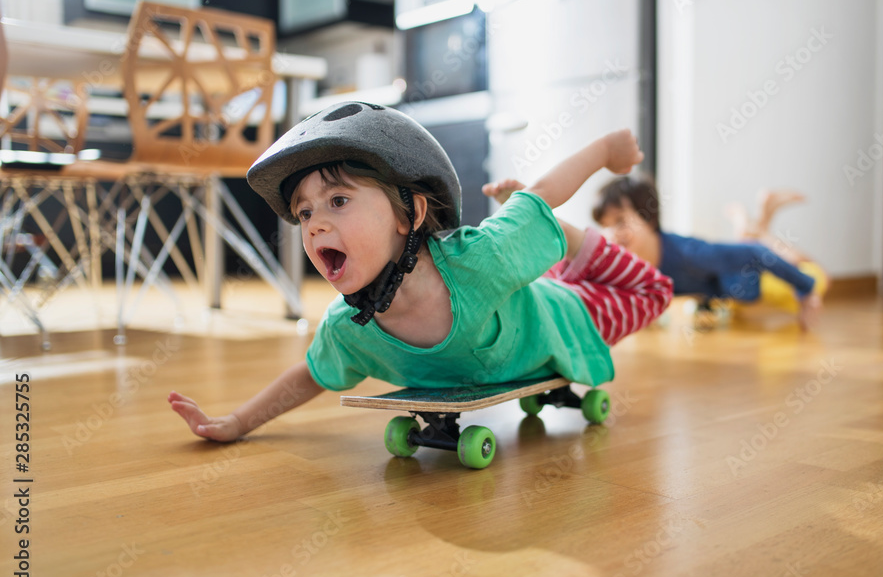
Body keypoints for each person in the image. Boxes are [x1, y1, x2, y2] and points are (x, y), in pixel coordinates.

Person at [169, 103, 673, 442]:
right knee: (528, 237)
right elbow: (312, 374)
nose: (316, 224)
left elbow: (540, 191)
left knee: (655, 290)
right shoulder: (349, 329)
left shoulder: (477, 259)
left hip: (570, 317)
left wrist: (606, 152)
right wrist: (236, 422)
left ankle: (553, 234)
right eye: (304, 213)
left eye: (338, 201)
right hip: (524, 298)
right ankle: (540, 239)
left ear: (408, 214)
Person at [589, 176, 827, 331]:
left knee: (816, 273)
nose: (612, 235)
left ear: (649, 218)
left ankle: (757, 227)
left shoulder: (690, 254)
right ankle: (750, 227)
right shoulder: (631, 265)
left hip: (754, 281)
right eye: (606, 226)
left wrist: (806, 289)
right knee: (743, 258)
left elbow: (756, 254)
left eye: (620, 221)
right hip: (729, 292)